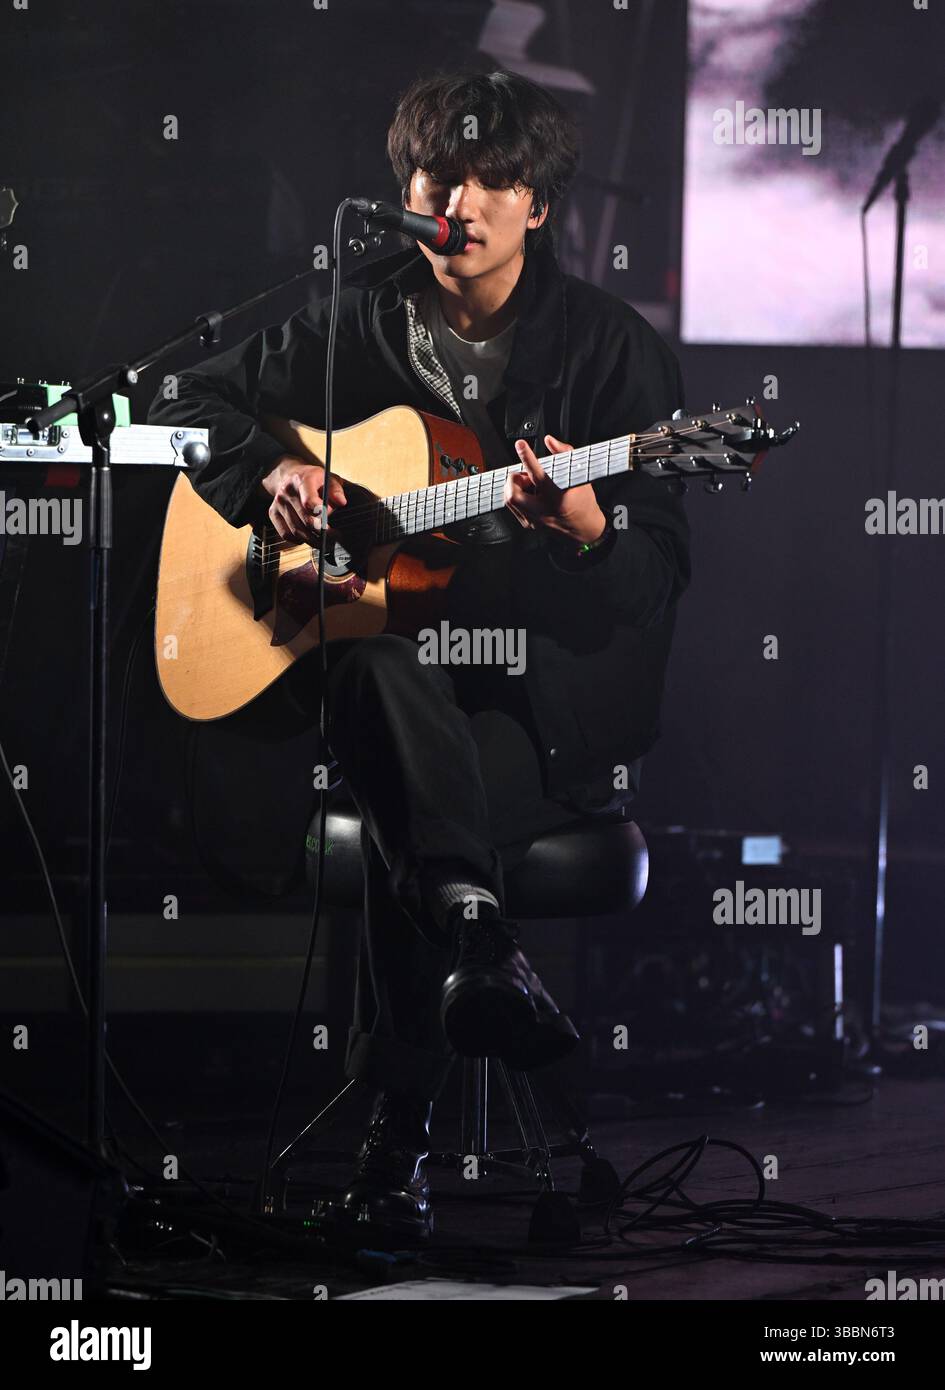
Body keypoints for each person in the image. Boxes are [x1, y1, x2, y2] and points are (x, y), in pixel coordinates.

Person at [149, 68, 690, 1243]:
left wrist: (592, 536)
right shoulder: (356, 314)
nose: (465, 198)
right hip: (382, 674)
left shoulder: (610, 355)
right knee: (388, 687)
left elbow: (653, 589)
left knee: (418, 806)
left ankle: (401, 1139)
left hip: (535, 703)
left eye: (496, 179)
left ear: (538, 205)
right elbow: (188, 398)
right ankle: (481, 949)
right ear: (407, 190)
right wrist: (272, 475)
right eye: (441, 175)